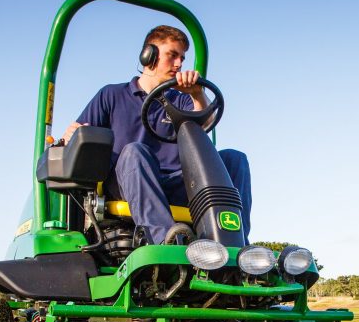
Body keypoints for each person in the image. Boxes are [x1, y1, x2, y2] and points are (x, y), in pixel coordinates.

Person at [62, 25, 252, 245]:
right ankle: (166, 243)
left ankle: (236, 245)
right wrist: (72, 136)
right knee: (135, 150)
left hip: (178, 185)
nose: (179, 63)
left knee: (235, 158)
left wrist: (197, 93)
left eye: (182, 57)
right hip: (131, 183)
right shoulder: (112, 95)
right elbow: (78, 137)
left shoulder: (180, 99)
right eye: (172, 55)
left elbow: (206, 122)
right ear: (148, 55)